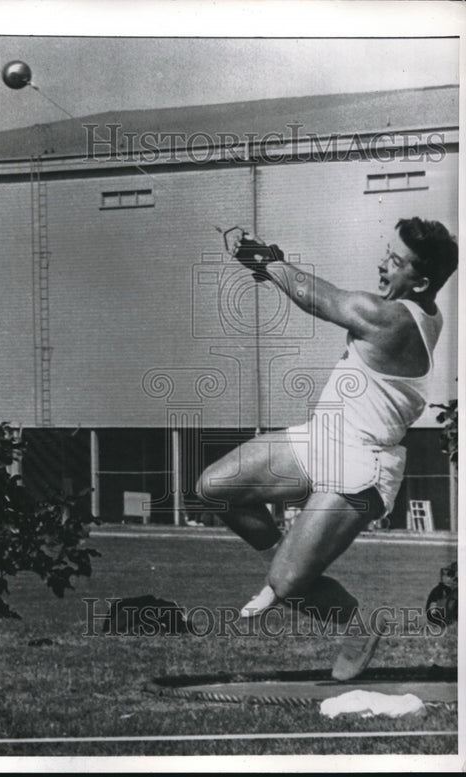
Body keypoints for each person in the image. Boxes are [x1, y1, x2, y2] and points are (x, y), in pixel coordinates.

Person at [196, 217, 458, 679]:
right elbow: (305, 287)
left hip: (362, 464)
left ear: (420, 281)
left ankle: (355, 623)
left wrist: (262, 259)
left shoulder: (394, 319)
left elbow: (321, 297)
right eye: (388, 253)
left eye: (395, 262)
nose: (383, 264)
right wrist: (271, 264)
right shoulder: (415, 306)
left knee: (288, 584)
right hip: (322, 437)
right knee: (214, 487)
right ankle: (286, 564)